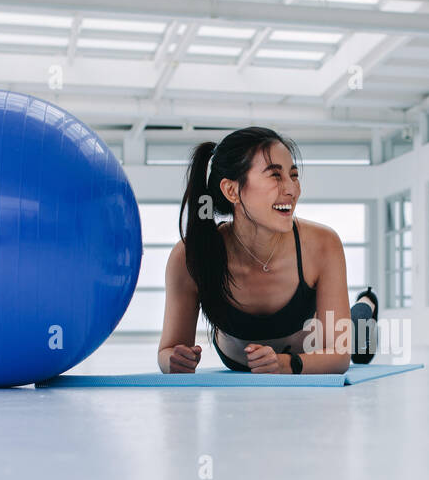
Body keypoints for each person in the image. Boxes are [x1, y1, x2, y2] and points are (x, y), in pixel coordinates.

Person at [158, 126, 378, 374]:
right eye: (275, 175)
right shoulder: (190, 255)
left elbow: (338, 355)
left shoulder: (323, 245)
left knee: (357, 340)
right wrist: (173, 361)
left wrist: (285, 364)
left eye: (293, 175)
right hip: (236, 359)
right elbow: (167, 351)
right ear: (231, 190)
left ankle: (365, 305)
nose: (291, 189)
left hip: (306, 356)